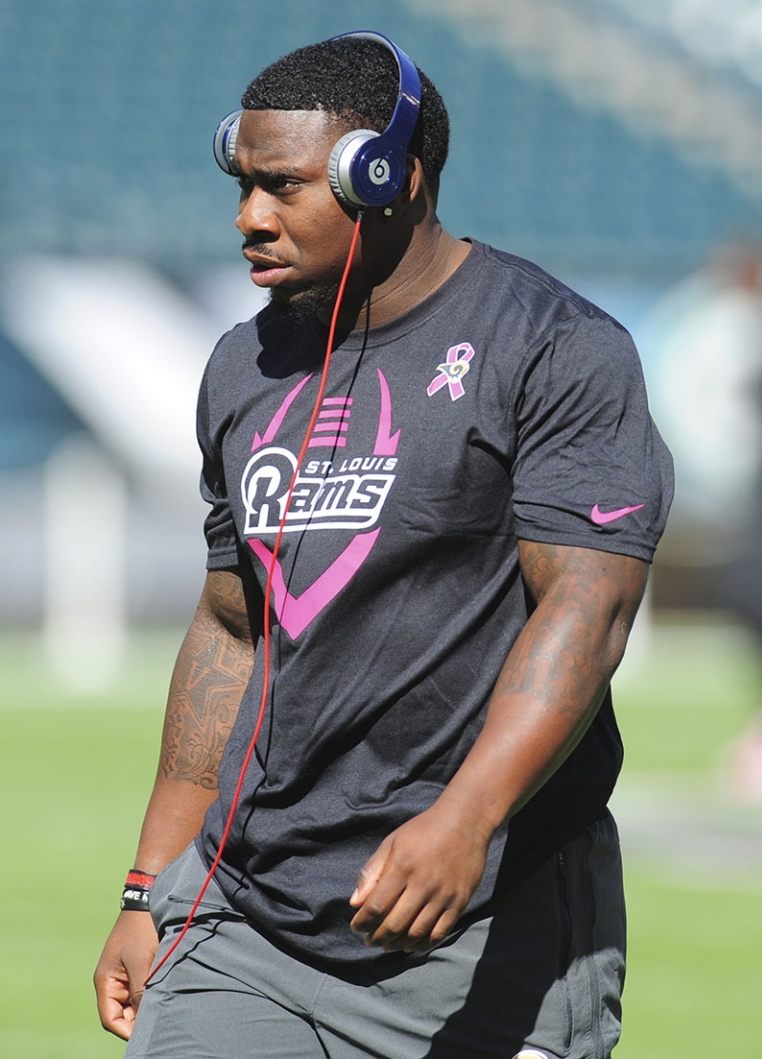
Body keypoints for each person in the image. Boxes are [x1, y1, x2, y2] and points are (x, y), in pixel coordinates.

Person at [94, 31, 673, 1059]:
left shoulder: (555, 345)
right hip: (246, 920)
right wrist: (148, 884)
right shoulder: (243, 364)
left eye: (282, 188)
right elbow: (231, 631)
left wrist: (467, 819)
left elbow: (587, 613)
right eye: (242, 183)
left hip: (487, 920)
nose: (248, 218)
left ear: (386, 178)